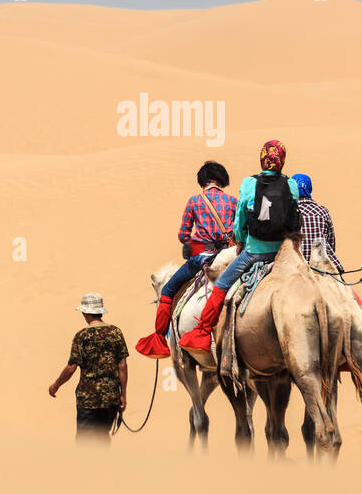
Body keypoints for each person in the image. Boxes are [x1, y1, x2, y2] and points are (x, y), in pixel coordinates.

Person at [180, 140, 300, 352]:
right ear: (282, 160)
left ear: (262, 159)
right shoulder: (291, 185)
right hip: (284, 253)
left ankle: (201, 331)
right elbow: (294, 218)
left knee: (221, 285)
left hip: (254, 253)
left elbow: (241, 218)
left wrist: (241, 241)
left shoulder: (249, 184)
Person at [136, 161, 238, 359]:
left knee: (167, 290)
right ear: (221, 180)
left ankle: (159, 340)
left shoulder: (195, 201)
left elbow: (183, 234)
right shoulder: (233, 201)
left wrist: (191, 242)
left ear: (203, 180)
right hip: (228, 258)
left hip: (202, 259)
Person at [48, 292, 129, 442]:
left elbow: (71, 367)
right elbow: (122, 366)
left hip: (88, 400)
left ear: (86, 313)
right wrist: (123, 394)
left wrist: (56, 385)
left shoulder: (82, 336)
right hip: (111, 398)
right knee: (102, 439)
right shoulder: (116, 333)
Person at [293, 173, 344, 273]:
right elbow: (331, 243)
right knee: (343, 287)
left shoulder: (288, 213)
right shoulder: (322, 211)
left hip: (296, 264)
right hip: (320, 263)